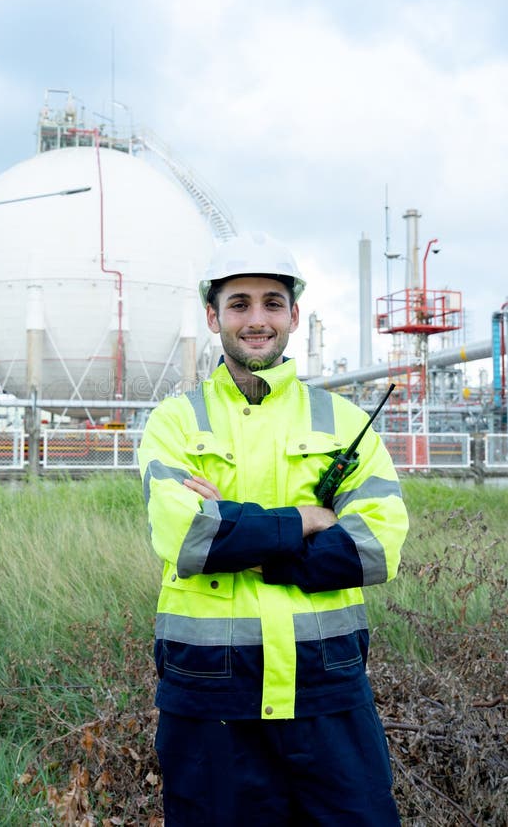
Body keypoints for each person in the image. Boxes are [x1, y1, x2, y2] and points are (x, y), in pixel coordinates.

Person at [138, 231, 409, 826]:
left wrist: (239, 536)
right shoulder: (175, 423)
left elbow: (376, 547)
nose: (255, 319)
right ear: (213, 316)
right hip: (209, 695)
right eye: (239, 304)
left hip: (327, 688)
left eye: (270, 302)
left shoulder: (343, 420)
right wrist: (308, 521)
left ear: (293, 314)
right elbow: (185, 536)